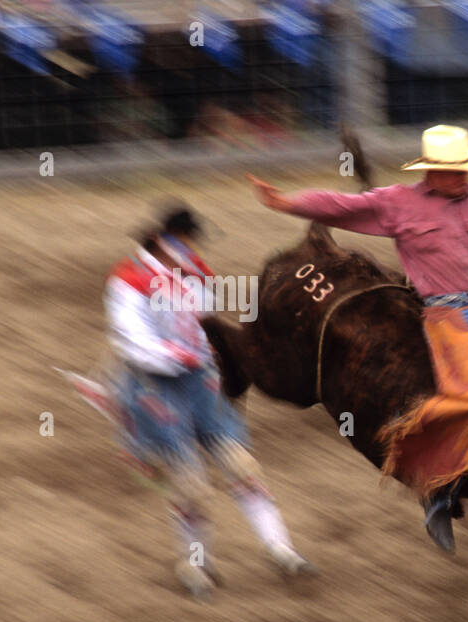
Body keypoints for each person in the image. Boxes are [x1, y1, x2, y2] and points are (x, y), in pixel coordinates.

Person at [246, 125, 468, 554]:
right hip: (447, 317)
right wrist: (284, 202)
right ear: (431, 172)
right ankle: (434, 481)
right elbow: (341, 206)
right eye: (455, 170)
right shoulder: (398, 202)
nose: (465, 176)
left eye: (466, 168)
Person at [105, 206, 314, 598]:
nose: (192, 246)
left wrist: (202, 354)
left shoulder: (193, 270)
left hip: (198, 381)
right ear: (167, 239)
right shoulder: (128, 280)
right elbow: (130, 340)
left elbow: (203, 320)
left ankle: (281, 550)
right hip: (154, 387)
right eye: (187, 239)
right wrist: (176, 355)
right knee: (190, 484)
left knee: (242, 465)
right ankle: (195, 566)